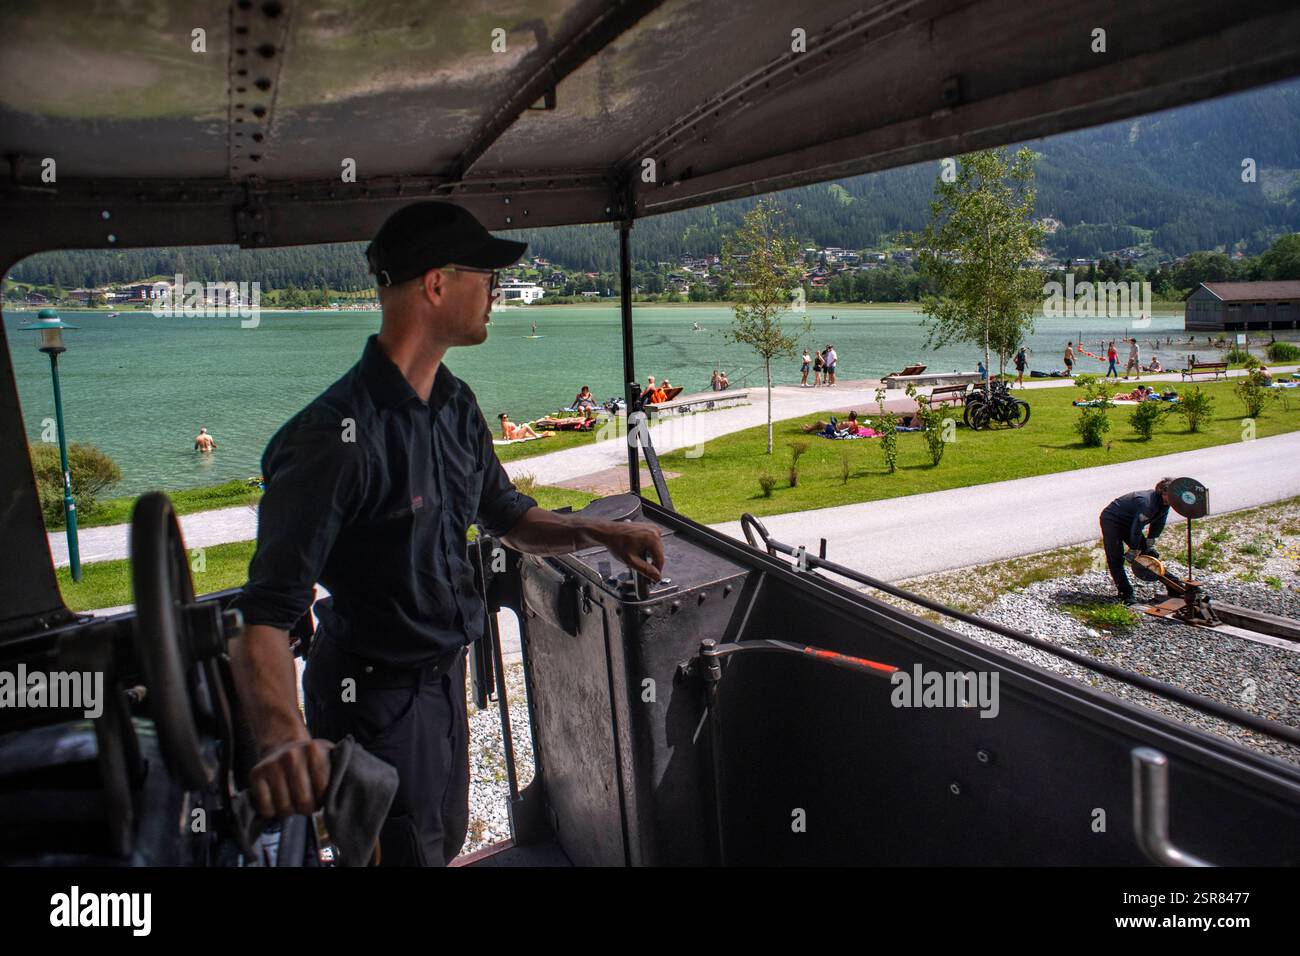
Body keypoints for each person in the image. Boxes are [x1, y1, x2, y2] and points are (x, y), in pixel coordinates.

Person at [228, 201, 663, 867]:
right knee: (403, 856)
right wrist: (285, 739)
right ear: (436, 285)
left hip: (442, 684)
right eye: (485, 275)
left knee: (444, 839)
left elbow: (509, 517)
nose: (496, 292)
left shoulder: (455, 405)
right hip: (371, 703)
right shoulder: (336, 437)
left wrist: (603, 534)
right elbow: (264, 614)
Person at [1099, 479, 1172, 605]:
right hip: (1112, 520)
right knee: (1115, 558)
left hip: (1130, 523)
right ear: (1163, 493)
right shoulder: (1147, 503)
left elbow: (1159, 523)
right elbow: (1136, 528)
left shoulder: (1165, 504)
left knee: (1150, 557)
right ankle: (1126, 593)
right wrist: (1134, 549)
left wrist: (1149, 543)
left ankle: (1174, 586)